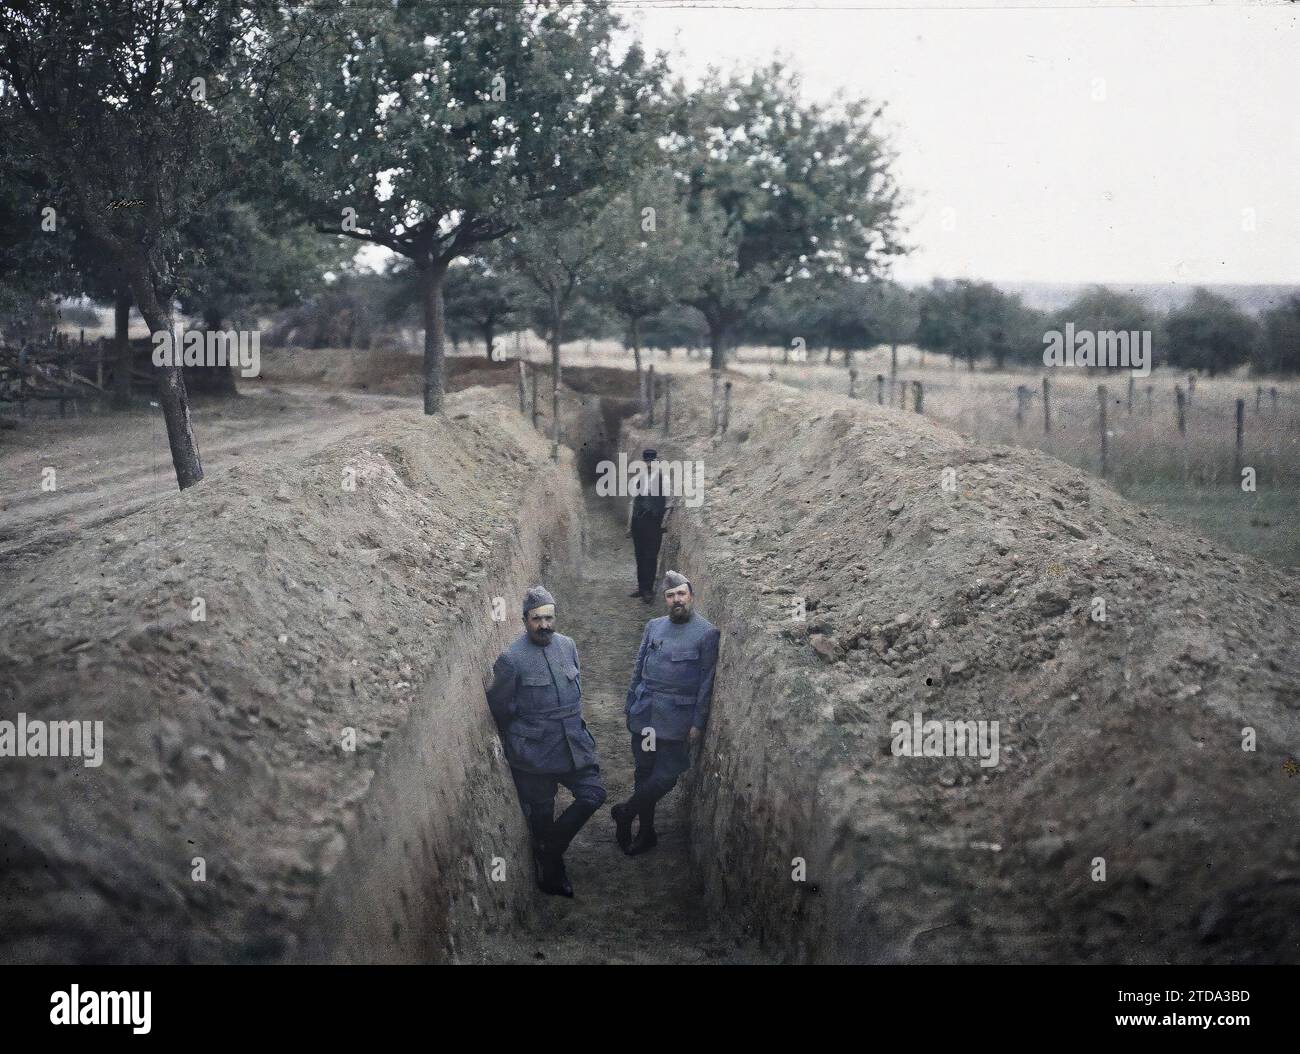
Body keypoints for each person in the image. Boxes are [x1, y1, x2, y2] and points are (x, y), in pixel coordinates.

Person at [485, 586, 605, 897]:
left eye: (549, 618)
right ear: (525, 620)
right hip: (534, 752)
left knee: (593, 794)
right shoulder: (511, 659)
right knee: (541, 813)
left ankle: (548, 850)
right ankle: (552, 874)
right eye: (537, 619)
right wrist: (525, 733)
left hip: (571, 745)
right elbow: (501, 706)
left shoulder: (567, 646)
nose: (544, 625)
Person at [611, 570, 720, 856]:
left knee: (668, 775)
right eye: (670, 596)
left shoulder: (707, 633)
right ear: (665, 600)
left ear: (691, 596)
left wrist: (697, 722)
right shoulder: (654, 626)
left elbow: (707, 681)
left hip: (676, 720)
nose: (676, 600)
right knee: (644, 770)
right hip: (646, 714)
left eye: (681, 594)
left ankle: (626, 812)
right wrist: (630, 702)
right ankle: (646, 833)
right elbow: (638, 667)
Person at [627, 448, 672, 603]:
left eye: (652, 461)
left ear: (656, 462)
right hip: (638, 522)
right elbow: (633, 502)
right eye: (647, 461)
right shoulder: (638, 479)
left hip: (654, 523)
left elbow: (669, 503)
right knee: (639, 555)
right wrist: (629, 526)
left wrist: (663, 522)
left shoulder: (664, 479)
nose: (649, 464)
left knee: (651, 556)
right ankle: (641, 588)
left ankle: (648, 591)